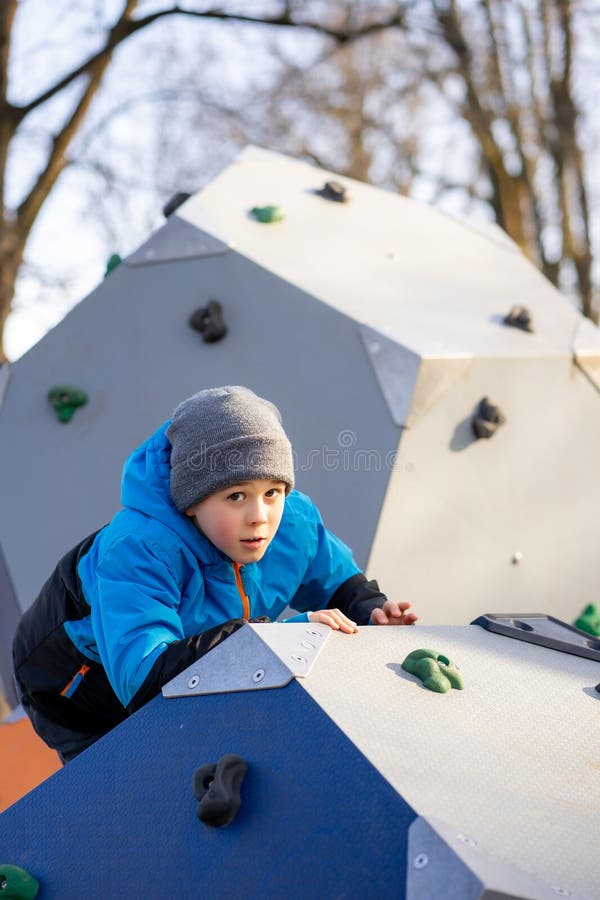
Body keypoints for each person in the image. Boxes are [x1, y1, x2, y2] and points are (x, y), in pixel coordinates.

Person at [13, 386, 417, 762]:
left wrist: (373, 611)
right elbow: (145, 679)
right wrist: (274, 636)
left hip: (195, 646)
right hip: (81, 684)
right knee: (134, 787)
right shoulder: (139, 549)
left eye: (272, 492)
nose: (259, 517)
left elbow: (337, 582)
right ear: (191, 502)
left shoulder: (293, 521)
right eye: (235, 496)